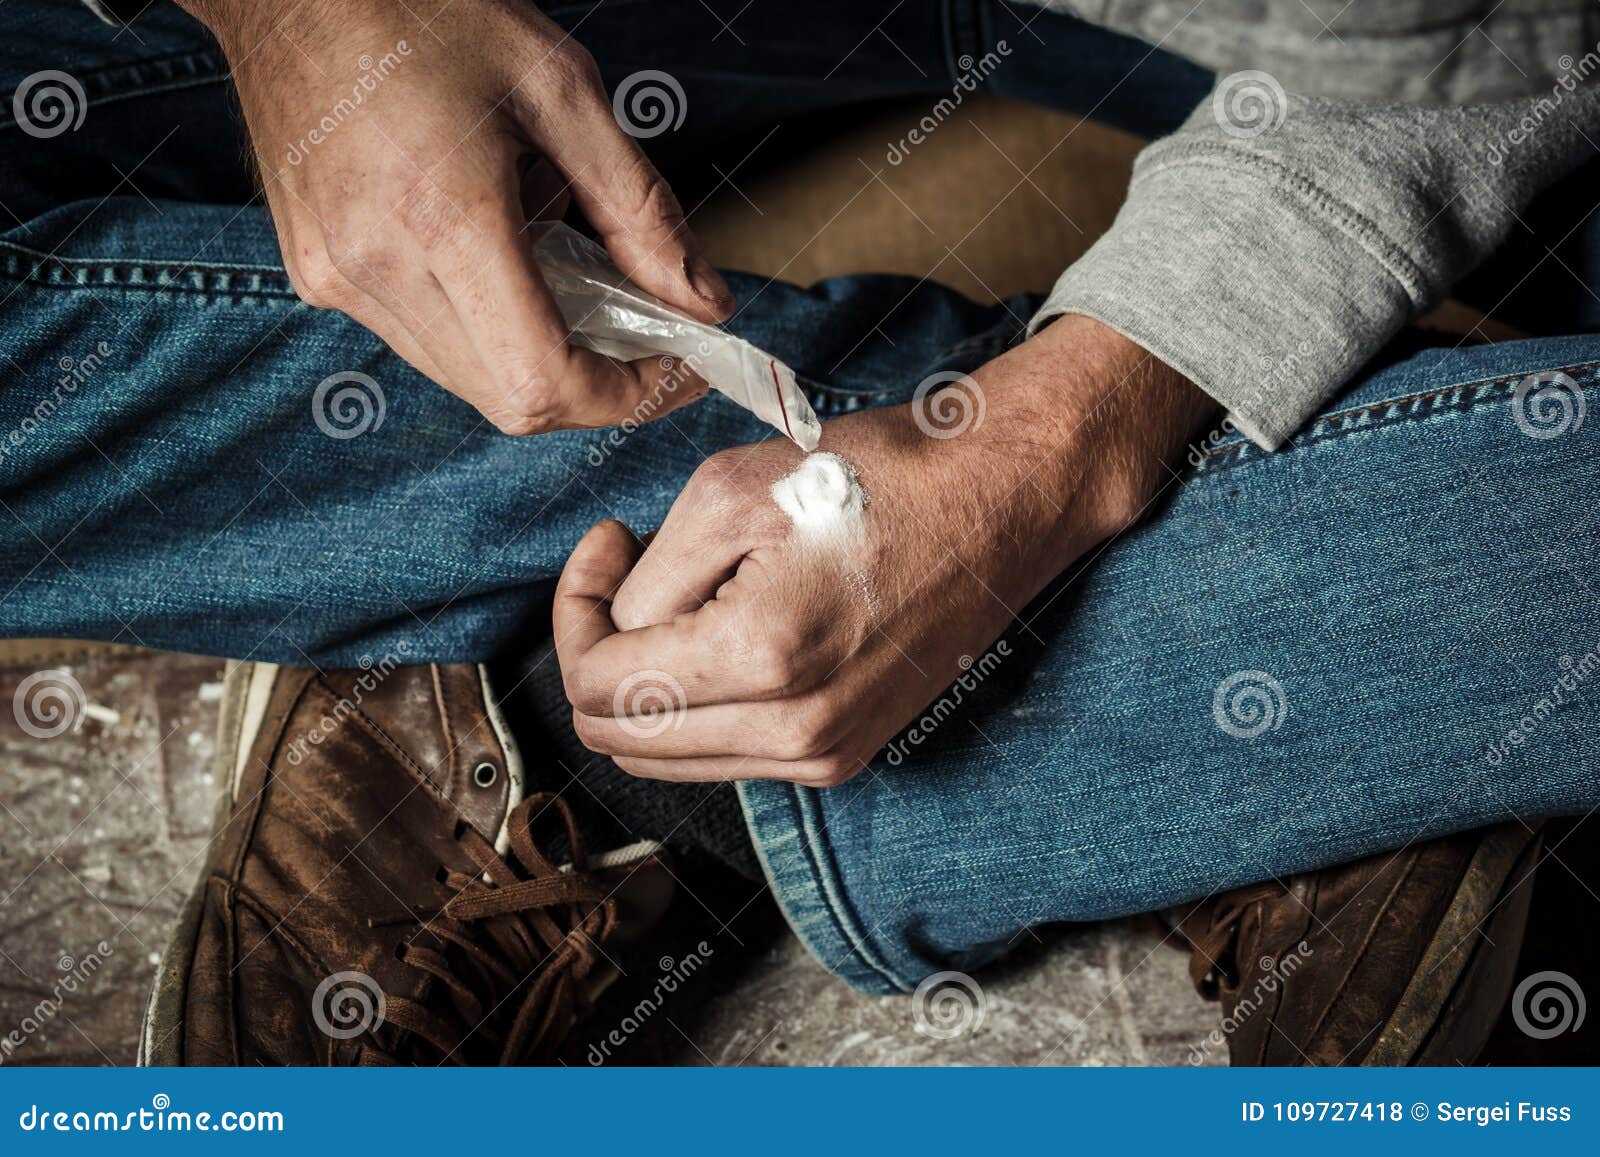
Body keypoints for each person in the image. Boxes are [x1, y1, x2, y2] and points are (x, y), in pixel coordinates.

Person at [4, 0, 1597, 1065]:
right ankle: (1280, 580)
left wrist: (1060, 435)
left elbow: (1494, 42)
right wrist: (299, 20)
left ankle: (650, 748)